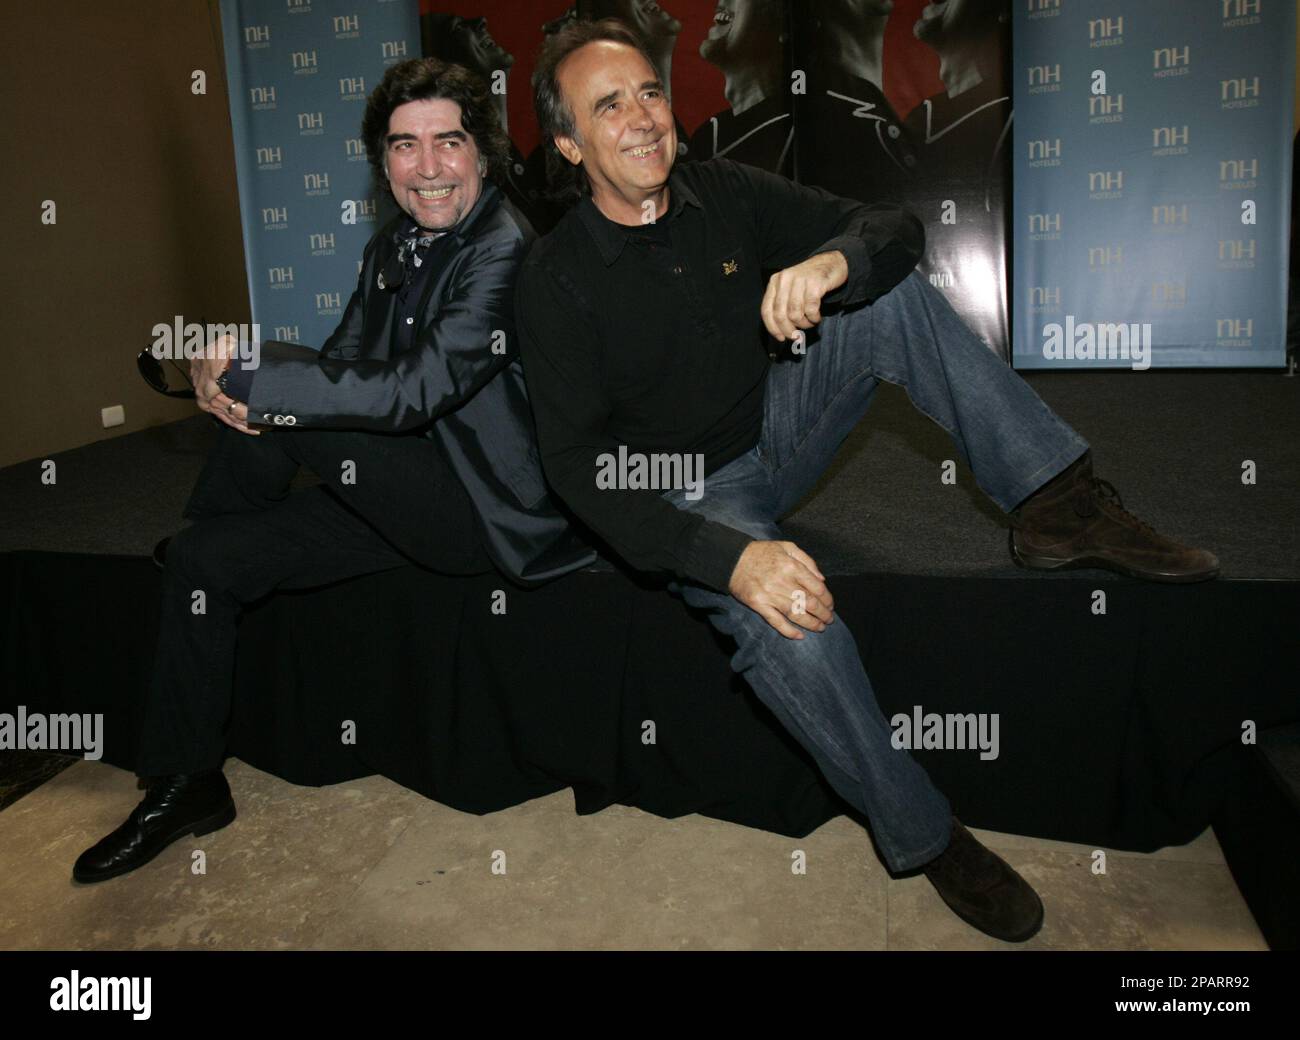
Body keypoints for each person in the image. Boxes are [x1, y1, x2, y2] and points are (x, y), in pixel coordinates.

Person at [515, 19, 1219, 943]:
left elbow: (893, 227)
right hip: (691, 492)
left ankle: (1057, 504)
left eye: (650, 91)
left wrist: (833, 261)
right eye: (609, 106)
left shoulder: (722, 190)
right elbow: (577, 469)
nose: (643, 117)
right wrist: (728, 560)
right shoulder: (555, 279)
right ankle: (925, 833)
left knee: (888, 297)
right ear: (569, 144)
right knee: (795, 627)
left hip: (778, 427)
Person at [73, 57, 592, 885]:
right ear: (383, 162)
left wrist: (256, 376)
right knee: (210, 559)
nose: (427, 166)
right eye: (404, 145)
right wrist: (258, 382)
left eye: (449, 142)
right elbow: (343, 365)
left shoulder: (504, 249)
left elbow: (414, 392)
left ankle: (219, 500)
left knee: (277, 382)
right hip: (395, 489)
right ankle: (186, 782)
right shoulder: (389, 245)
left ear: (482, 154)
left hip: (479, 510)